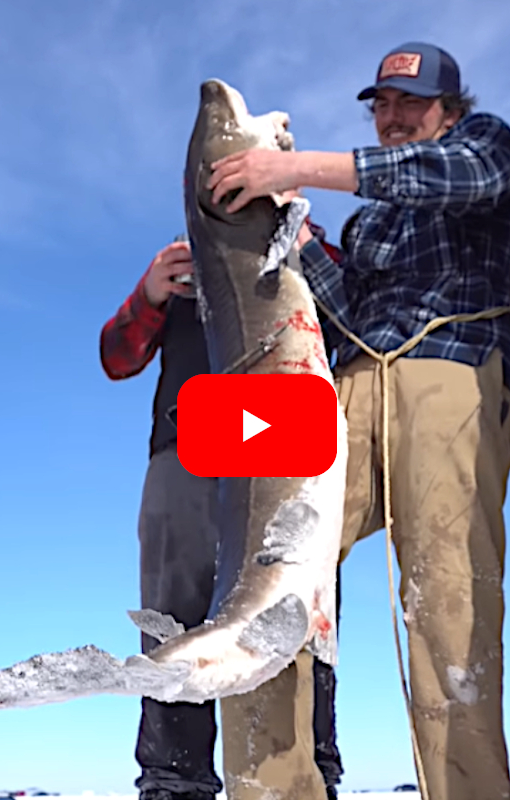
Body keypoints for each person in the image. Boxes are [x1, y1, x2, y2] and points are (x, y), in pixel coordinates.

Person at [206, 41, 510, 800]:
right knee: (268, 578)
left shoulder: (486, 144)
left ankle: (466, 791)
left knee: (444, 596)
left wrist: (295, 167)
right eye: (382, 104)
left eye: (411, 103)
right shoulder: (368, 225)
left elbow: (455, 176)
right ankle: (273, 789)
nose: (392, 117)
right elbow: (350, 312)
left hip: (452, 369)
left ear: (450, 109)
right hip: (350, 387)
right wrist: (294, 233)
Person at [99, 231, 344, 800]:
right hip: (187, 441)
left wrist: (305, 246)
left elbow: (353, 320)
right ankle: (174, 781)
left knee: (299, 611)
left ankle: (311, 772)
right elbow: (117, 357)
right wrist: (150, 293)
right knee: (173, 612)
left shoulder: (313, 248)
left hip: (287, 437)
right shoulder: (185, 259)